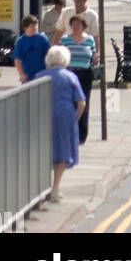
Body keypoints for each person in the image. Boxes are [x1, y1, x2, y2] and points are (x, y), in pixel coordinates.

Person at [39, 46, 85, 203]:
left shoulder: (40, 76)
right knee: (63, 151)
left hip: (44, 114)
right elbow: (81, 103)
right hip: (65, 115)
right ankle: (55, 189)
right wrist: (75, 119)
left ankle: (42, 188)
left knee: (44, 149)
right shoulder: (70, 76)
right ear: (65, 60)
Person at [59, 13, 98, 145]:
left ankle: (82, 135)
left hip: (85, 74)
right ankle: (71, 132)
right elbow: (60, 56)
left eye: (78, 24)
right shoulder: (65, 39)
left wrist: (95, 58)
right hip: (69, 74)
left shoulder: (89, 40)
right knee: (71, 104)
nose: (76, 27)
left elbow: (93, 55)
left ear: (83, 26)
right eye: (74, 24)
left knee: (83, 103)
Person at [13, 14, 50, 83]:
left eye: (36, 26)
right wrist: (22, 74)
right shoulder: (20, 41)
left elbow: (49, 55)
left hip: (42, 74)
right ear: (25, 28)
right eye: (32, 26)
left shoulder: (43, 39)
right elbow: (17, 60)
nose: (35, 28)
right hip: (28, 76)